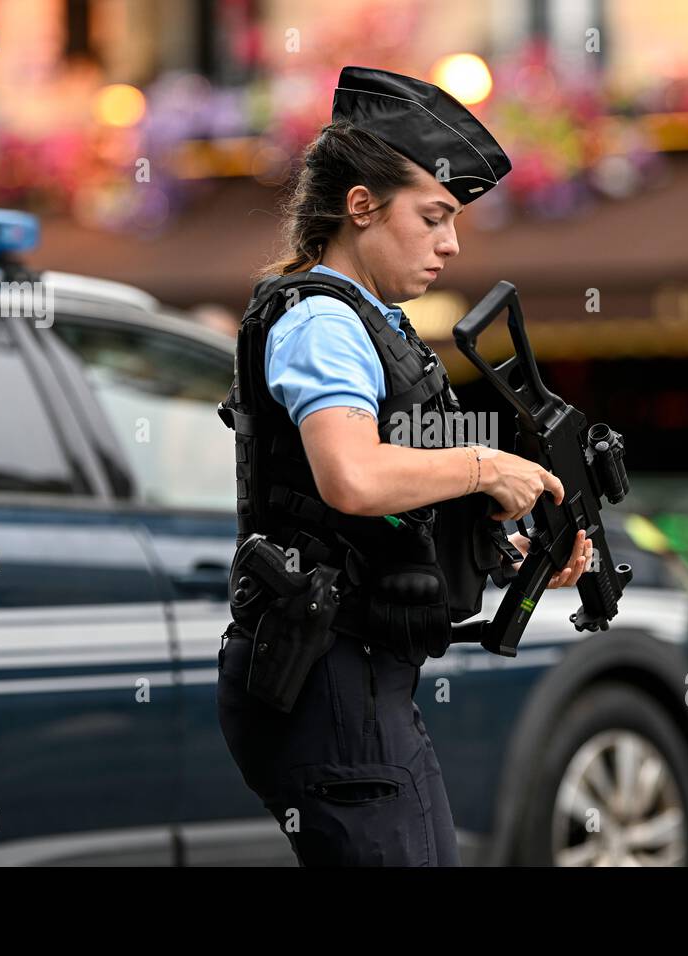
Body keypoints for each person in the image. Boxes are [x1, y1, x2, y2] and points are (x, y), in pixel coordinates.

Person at [216, 65, 593, 867]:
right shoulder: (323, 320)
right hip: (330, 683)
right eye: (434, 217)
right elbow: (351, 478)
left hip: (357, 679)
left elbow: (390, 513)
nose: (451, 243)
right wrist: (487, 465)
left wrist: (516, 554)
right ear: (361, 206)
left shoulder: (367, 322)